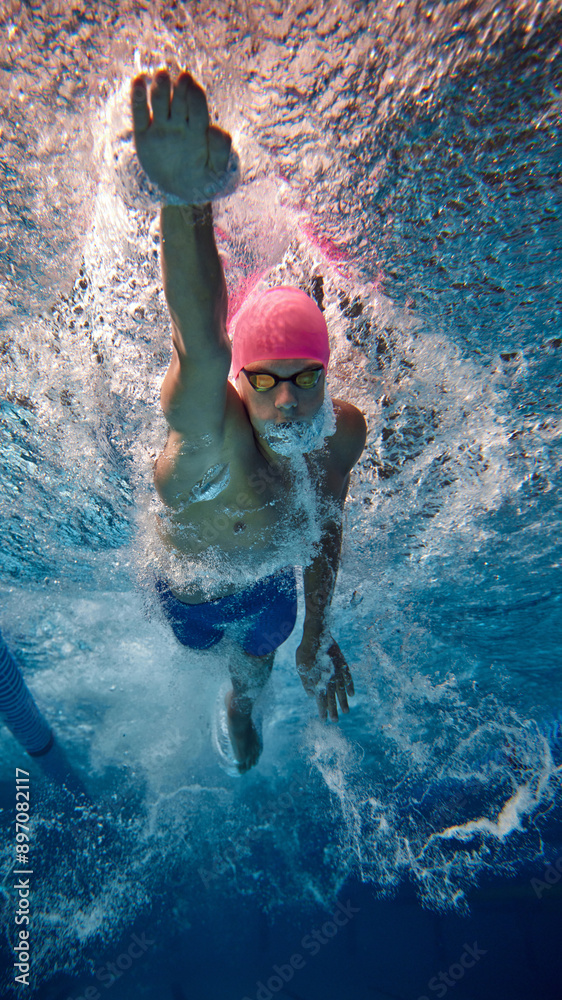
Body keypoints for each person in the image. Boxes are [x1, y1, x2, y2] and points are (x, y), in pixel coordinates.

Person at [131, 69, 366, 773]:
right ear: (242, 382)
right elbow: (199, 342)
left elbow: (325, 529)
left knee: (254, 673)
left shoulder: (340, 435)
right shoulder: (211, 432)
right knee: (217, 648)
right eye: (264, 381)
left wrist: (317, 636)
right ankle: (237, 689)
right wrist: (184, 200)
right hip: (191, 600)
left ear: (326, 375)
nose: (287, 401)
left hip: (269, 596)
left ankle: (241, 702)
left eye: (304, 379)